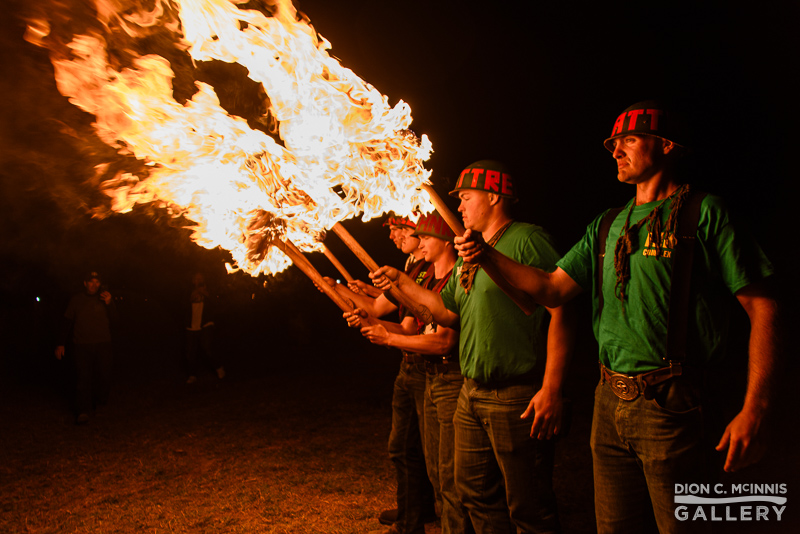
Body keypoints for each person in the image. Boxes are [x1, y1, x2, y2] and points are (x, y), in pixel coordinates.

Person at [455, 102, 779, 533]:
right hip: (608, 403)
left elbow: (764, 307)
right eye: (612, 144)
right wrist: (488, 255)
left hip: (673, 405)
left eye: (629, 140)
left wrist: (755, 409)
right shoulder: (607, 223)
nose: (615, 151)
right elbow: (552, 289)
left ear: (665, 146)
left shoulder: (704, 213)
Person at [371, 160, 574, 534]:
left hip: (516, 393)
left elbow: (561, 306)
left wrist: (551, 389)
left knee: (529, 507)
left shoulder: (528, 239)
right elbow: (445, 311)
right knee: (474, 493)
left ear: (494, 196)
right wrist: (401, 281)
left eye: (465, 197)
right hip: (472, 391)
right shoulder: (470, 251)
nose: (459, 207)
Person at [356, 211, 474, 534]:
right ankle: (417, 520)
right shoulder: (427, 276)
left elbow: (443, 342)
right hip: (431, 378)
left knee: (451, 477)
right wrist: (370, 322)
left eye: (424, 237)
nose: (418, 243)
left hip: (449, 377)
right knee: (437, 472)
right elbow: (407, 323)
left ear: (444, 239)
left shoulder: (455, 279)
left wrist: (388, 336)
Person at [328, 214, 437, 534]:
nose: (394, 237)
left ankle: (414, 517)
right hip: (409, 365)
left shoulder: (429, 270)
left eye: (401, 229)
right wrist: (336, 291)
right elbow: (377, 309)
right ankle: (412, 511)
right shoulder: (413, 269)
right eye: (393, 230)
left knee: (422, 453)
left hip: (427, 366)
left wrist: (378, 324)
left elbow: (402, 322)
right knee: (404, 448)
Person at [55, 271, 117, 425]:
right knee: (83, 378)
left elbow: (116, 320)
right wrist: (60, 343)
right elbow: (66, 322)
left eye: (97, 282)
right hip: (81, 345)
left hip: (103, 344)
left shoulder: (105, 299)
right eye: (91, 282)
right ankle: (83, 411)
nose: (94, 285)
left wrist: (110, 304)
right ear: (85, 283)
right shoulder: (76, 300)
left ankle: (100, 405)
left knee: (104, 376)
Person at [185, 272, 225, 384]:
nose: (198, 280)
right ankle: (192, 375)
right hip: (191, 326)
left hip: (205, 324)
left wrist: (205, 293)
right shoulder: (188, 291)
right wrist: (193, 294)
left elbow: (217, 303)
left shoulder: (208, 290)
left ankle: (219, 368)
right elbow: (182, 304)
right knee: (190, 352)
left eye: (200, 278)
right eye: (196, 279)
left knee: (208, 348)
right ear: (193, 281)